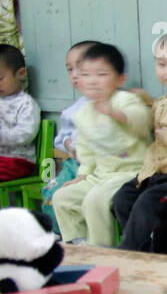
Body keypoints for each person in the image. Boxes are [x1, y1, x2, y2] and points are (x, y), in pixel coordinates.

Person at [50, 43, 151, 245]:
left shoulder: (125, 100)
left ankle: (102, 250)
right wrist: (83, 174)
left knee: (94, 200)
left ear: (120, 79)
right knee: (62, 197)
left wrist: (117, 114)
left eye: (101, 74)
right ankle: (79, 243)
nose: (93, 81)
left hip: (132, 173)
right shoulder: (85, 112)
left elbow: (142, 121)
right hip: (101, 175)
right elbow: (86, 151)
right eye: (86, 75)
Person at [112, 32, 167, 252]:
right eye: (161, 64)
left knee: (147, 204)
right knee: (122, 199)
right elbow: (148, 125)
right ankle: (152, 253)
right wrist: (140, 107)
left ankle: (130, 254)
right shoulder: (163, 100)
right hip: (153, 177)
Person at [41, 41, 96, 229]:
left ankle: (81, 237)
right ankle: (59, 235)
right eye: (69, 69)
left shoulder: (112, 104)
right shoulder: (72, 110)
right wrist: (67, 143)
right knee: (53, 193)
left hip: (97, 168)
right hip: (73, 164)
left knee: (83, 199)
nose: (74, 75)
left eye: (80, 69)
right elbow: (60, 139)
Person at [0, 45, 40, 188]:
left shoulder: (26, 104)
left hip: (18, 162)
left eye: (0, 78)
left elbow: (25, 134)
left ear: (21, 73)